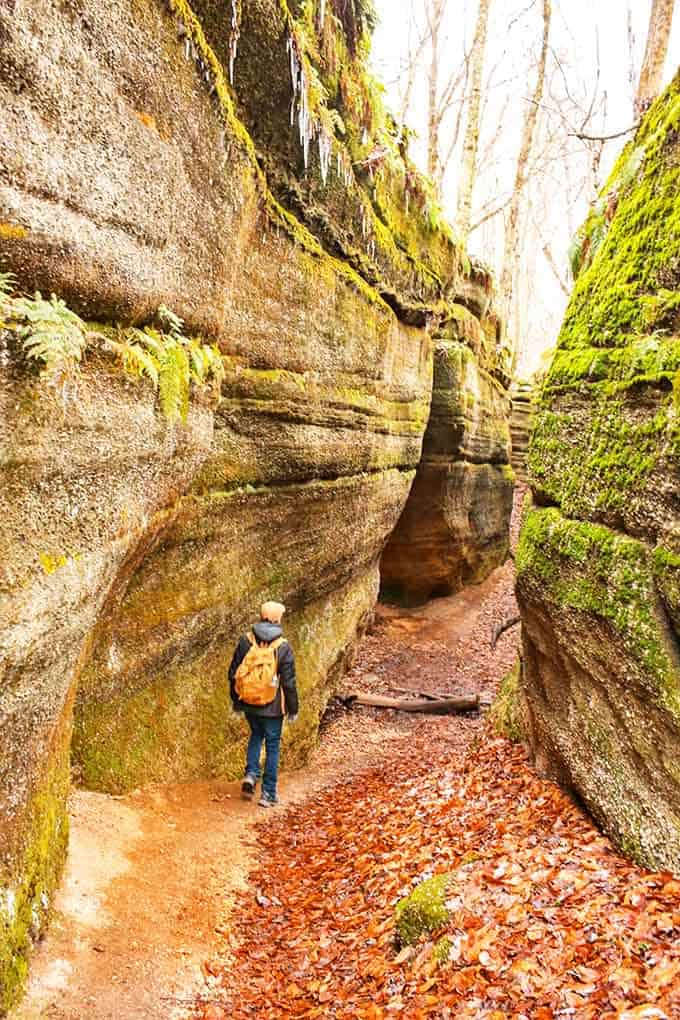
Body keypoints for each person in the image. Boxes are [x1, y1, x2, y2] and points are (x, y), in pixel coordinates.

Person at [229, 600, 298, 808]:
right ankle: (268, 793)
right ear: (277, 618)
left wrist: (236, 703)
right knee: (273, 745)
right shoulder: (283, 646)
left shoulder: (246, 641)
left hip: (249, 703)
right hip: (273, 707)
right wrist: (293, 709)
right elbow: (289, 683)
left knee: (256, 736)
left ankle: (251, 775)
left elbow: (233, 673)